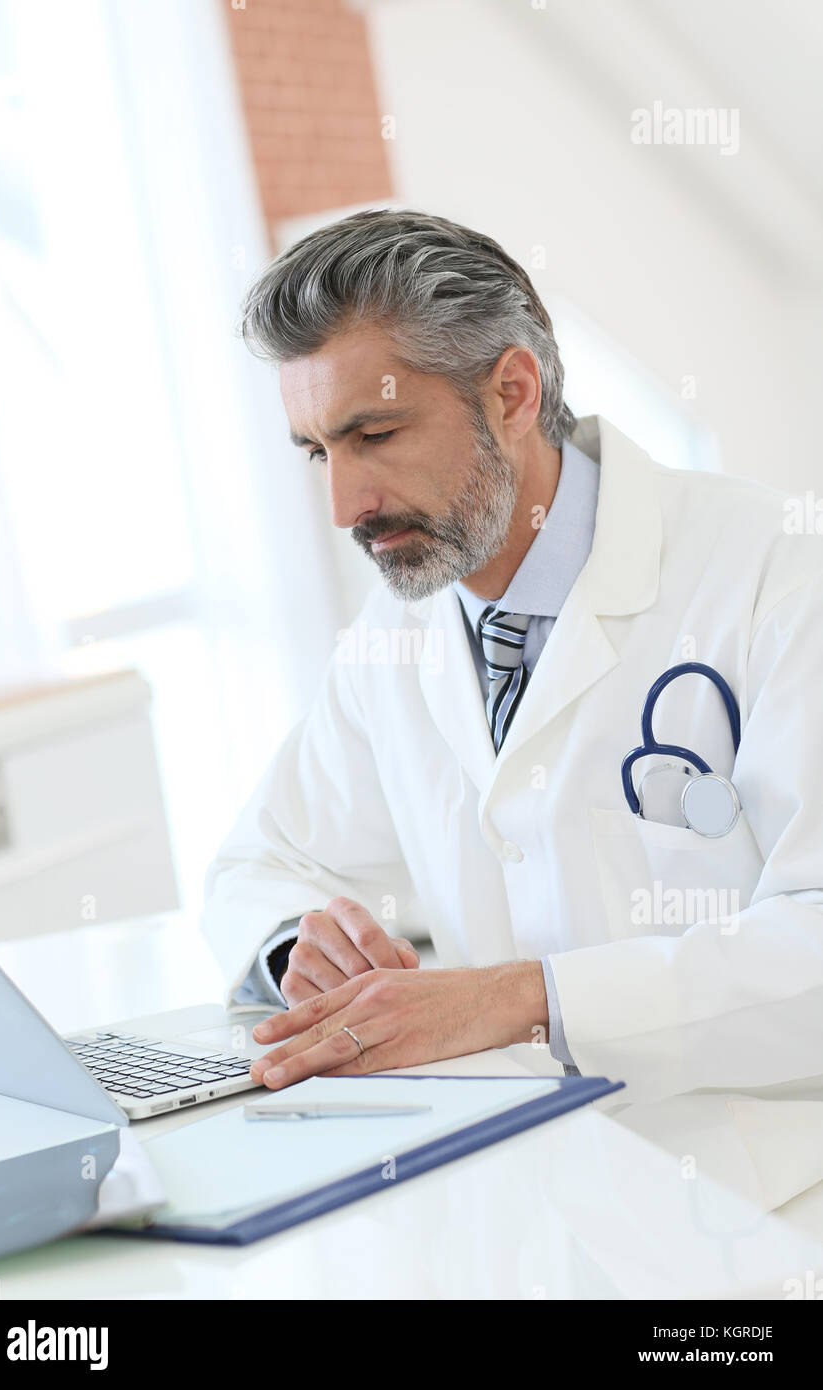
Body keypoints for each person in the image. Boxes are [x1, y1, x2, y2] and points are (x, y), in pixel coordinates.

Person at [202, 208, 823, 1122]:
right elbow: (260, 860)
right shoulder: (397, 637)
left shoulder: (775, 573)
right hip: (522, 1169)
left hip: (767, 1180)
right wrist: (300, 943)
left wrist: (522, 998)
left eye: (374, 435)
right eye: (317, 451)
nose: (344, 506)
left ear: (513, 394)